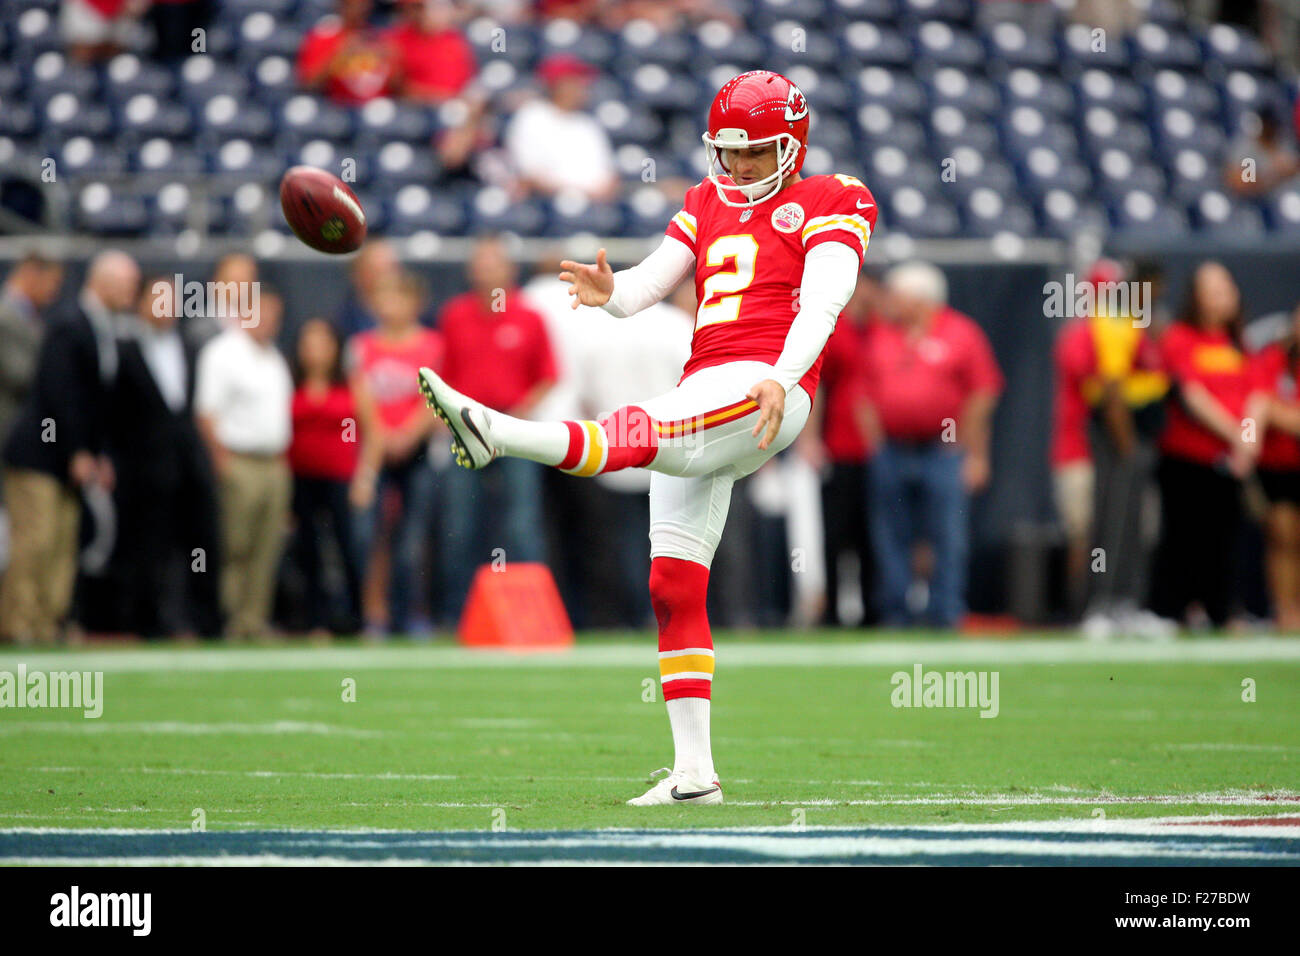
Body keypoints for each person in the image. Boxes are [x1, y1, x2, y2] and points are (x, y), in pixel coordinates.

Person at [418, 70, 873, 804]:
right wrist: (611, 294)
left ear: (793, 143)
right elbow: (646, 286)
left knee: (635, 429)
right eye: (727, 151)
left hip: (766, 385)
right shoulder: (704, 199)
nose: (738, 165)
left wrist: (785, 378)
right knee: (672, 585)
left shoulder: (832, 198)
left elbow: (824, 302)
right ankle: (694, 774)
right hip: (710, 382)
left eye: (753, 151)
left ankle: (497, 431)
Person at [0, 250, 135, 644]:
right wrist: (75, 449)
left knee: (62, 543)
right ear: (103, 281)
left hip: (69, 458)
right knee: (35, 541)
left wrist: (99, 453)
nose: (131, 291)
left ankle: (47, 623)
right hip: (39, 455)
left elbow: (97, 402)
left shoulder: (103, 327)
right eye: (125, 283)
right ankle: (17, 624)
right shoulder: (70, 324)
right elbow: (60, 393)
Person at [860, 262, 1004, 629]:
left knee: (947, 534)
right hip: (893, 450)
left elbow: (983, 393)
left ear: (921, 298)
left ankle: (945, 611)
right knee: (890, 535)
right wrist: (876, 440)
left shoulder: (960, 332)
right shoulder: (882, 334)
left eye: (898, 294)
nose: (890, 301)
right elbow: (864, 392)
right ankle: (896, 612)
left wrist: (974, 453)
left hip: (943, 449)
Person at [434, 235, 557, 623]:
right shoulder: (454, 315)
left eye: (494, 262)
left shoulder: (529, 316)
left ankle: (530, 617)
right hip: (468, 430)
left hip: (515, 430)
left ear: (510, 270)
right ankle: (458, 616)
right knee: (459, 524)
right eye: (481, 263)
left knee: (522, 523)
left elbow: (548, 376)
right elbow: (444, 377)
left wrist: (515, 416)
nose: (487, 270)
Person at [105, 277, 221, 638]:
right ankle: (148, 621)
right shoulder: (123, 351)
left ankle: (203, 621)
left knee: (200, 547)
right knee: (148, 549)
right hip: (143, 471)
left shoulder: (189, 347)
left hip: (189, 468)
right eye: (157, 299)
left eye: (171, 300)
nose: (165, 307)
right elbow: (113, 414)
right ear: (139, 303)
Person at [1148, 262, 1262, 629]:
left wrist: (1245, 444)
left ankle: (1223, 609)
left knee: (1226, 540)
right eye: (1211, 290)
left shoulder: (1238, 344)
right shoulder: (1180, 338)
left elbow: (1255, 397)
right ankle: (1173, 610)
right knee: (1184, 537)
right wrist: (1238, 436)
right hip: (1187, 459)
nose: (1221, 297)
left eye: (1226, 289)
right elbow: (1191, 395)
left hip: (1229, 461)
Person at [349, 272, 444, 638]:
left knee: (413, 540)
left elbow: (434, 399)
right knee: (369, 538)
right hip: (375, 453)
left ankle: (414, 612)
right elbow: (364, 404)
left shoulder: (432, 345)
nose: (391, 306)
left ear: (415, 303)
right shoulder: (362, 346)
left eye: (398, 298)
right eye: (384, 298)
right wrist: (374, 456)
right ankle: (375, 614)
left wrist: (407, 435)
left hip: (418, 453)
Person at [196, 289, 294, 641]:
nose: (269, 322)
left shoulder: (273, 357)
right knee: (234, 546)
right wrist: (221, 462)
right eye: (262, 313)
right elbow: (206, 414)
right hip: (239, 461)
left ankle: (253, 621)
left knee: (266, 548)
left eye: (274, 315)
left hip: (274, 464)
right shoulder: (223, 353)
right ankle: (226, 618)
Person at [287, 318, 382, 638]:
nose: (314, 351)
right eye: (308, 343)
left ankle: (357, 618)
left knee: (348, 547)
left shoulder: (352, 383)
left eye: (321, 343)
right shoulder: (291, 382)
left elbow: (374, 433)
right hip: (301, 478)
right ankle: (315, 620)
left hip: (342, 479)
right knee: (308, 549)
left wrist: (365, 478)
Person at [803, 271, 880, 627]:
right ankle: (832, 609)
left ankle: (875, 609)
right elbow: (816, 386)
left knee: (875, 535)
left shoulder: (884, 330)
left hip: (882, 452)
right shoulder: (836, 327)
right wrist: (810, 439)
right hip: (841, 447)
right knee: (835, 534)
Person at [503, 55, 619, 202]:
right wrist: (576, 194)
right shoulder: (531, 115)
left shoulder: (588, 123)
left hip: (593, 205)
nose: (583, 87)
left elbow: (609, 176)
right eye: (575, 81)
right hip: (545, 203)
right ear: (557, 85)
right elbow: (529, 175)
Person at [1249, 302, 1300, 631]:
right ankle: (1285, 611)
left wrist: (1279, 414)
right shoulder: (1273, 359)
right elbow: (1257, 405)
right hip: (1279, 467)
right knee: (1283, 536)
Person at [0, 253, 64, 455]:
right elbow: (21, 375)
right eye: (53, 282)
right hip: (8, 431)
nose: (55, 292)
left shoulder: (31, 317)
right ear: (31, 273)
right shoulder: (4, 317)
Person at [297, 0, 401, 106]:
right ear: (341, 6)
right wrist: (340, 54)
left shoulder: (384, 40)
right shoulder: (324, 37)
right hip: (338, 108)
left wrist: (391, 61)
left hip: (379, 107)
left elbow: (400, 88)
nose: (359, 9)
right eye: (352, 4)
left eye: (363, 5)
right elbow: (309, 84)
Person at [386, 0, 476, 103]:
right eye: (420, 8)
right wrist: (442, 98)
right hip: (415, 109)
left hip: (453, 107)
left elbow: (468, 81)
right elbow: (398, 88)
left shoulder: (455, 40)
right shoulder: (395, 41)